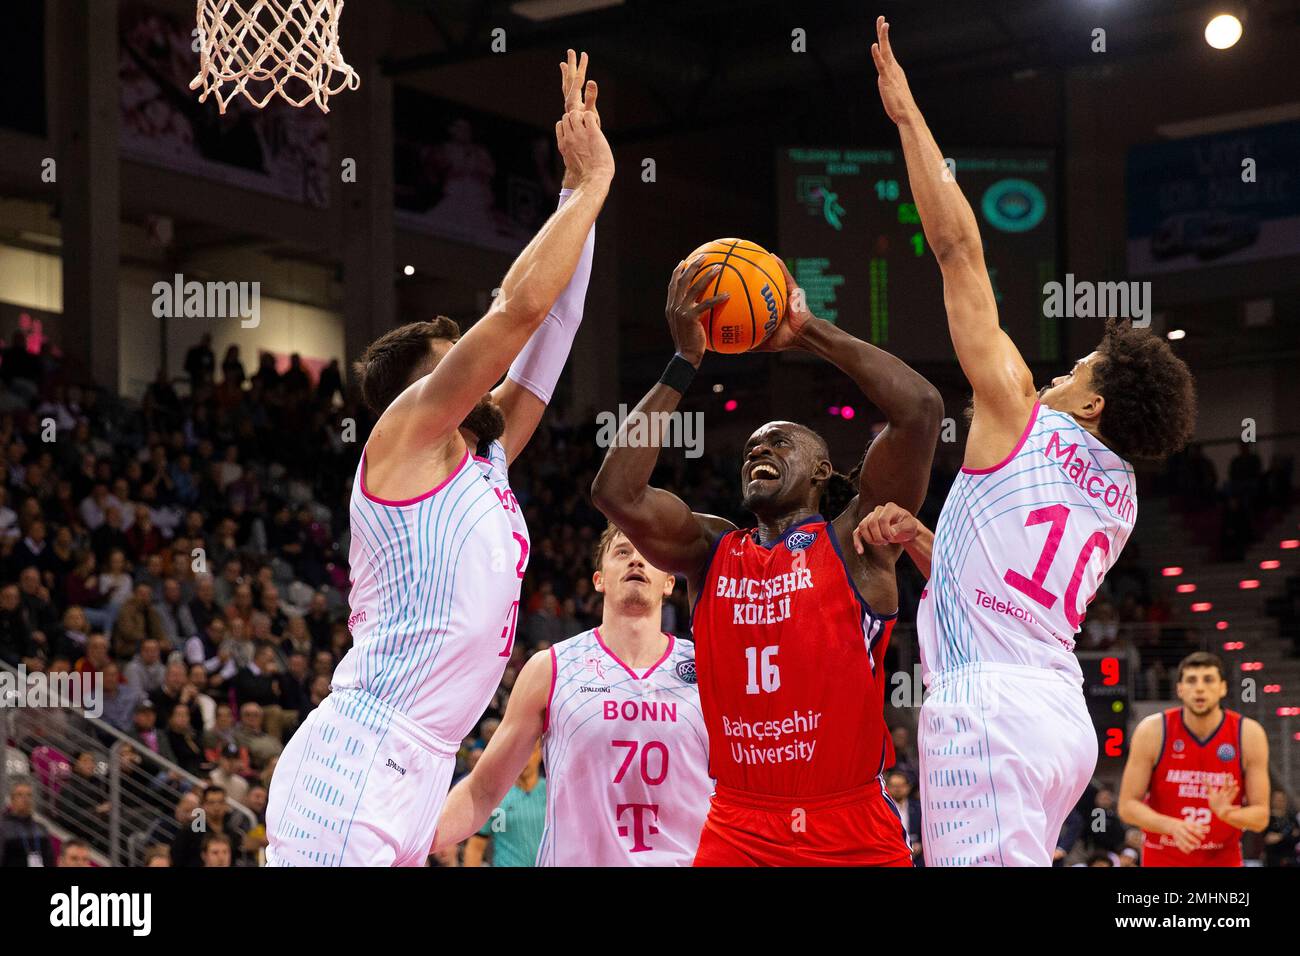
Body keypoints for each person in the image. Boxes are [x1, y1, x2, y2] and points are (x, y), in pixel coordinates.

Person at [266, 50, 613, 867]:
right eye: (456, 357)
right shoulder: (404, 437)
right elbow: (520, 307)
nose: (478, 367)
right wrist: (596, 187)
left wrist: (572, 193)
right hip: (360, 752)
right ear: (420, 389)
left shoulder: (483, 460)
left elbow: (552, 327)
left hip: (419, 761)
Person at [864, 17, 1196, 866]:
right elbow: (1005, 587)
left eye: (1083, 366)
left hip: (988, 713)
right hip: (1057, 719)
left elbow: (957, 249)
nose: (1061, 371)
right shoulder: (1117, 497)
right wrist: (926, 541)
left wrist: (909, 121)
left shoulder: (1016, 413)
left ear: (1093, 407)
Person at [591, 255, 941, 863]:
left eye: (780, 443)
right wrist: (684, 362)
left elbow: (920, 410)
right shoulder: (709, 551)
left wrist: (806, 330)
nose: (760, 450)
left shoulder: (857, 539)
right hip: (740, 824)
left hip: (851, 823)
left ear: (823, 471)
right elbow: (615, 492)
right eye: (752, 446)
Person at [436, 526, 712, 866]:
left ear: (670, 582)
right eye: (623, 552)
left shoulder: (707, 668)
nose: (636, 560)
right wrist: (408, 840)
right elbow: (483, 791)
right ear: (599, 579)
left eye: (649, 552)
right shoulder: (551, 668)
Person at [1117, 652, 1269, 866]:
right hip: (1163, 855)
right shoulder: (1152, 730)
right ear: (1179, 689)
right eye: (1191, 680)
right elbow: (1127, 806)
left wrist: (1227, 813)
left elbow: (1261, 817)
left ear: (1223, 687)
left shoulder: (1248, 733)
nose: (1199, 688)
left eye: (1208, 680)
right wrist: (1172, 826)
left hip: (1221, 858)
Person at [462, 742, 547, 867]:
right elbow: (475, 847)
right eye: (519, 752)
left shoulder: (553, 793)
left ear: (540, 752)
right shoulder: (494, 796)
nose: (524, 758)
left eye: (531, 751)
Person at [0, 779, 56, 867]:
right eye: (20, 795)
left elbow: (49, 859)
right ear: (12, 800)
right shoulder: (3, 828)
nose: (26, 799)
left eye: (29, 795)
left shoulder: (41, 828)